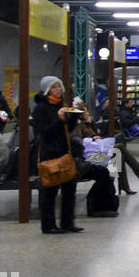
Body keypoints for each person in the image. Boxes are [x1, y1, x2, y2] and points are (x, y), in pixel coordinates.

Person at [31, 76, 83, 234]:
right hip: (50, 153)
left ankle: (68, 222)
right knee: (50, 191)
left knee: (69, 189)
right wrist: (59, 120)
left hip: (65, 152)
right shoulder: (40, 109)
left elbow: (70, 127)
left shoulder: (62, 105)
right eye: (54, 87)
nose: (58, 90)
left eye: (59, 87)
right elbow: (43, 132)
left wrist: (75, 114)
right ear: (47, 90)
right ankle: (48, 225)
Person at [73, 99, 139, 195]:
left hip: (96, 152)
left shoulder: (87, 124)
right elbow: (81, 142)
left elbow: (97, 132)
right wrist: (93, 138)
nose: (88, 113)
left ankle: (128, 182)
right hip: (89, 156)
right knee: (119, 148)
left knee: (118, 151)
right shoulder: (79, 127)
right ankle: (134, 176)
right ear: (81, 115)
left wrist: (90, 124)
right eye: (86, 112)